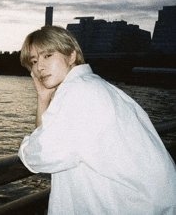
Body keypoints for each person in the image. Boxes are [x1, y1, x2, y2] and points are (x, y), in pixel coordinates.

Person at [18, 25, 176, 215]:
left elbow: (40, 155)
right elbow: (48, 136)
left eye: (47, 56)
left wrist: (25, 147)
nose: (39, 67)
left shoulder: (79, 93)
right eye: (33, 61)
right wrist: (43, 97)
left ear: (71, 56)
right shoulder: (94, 86)